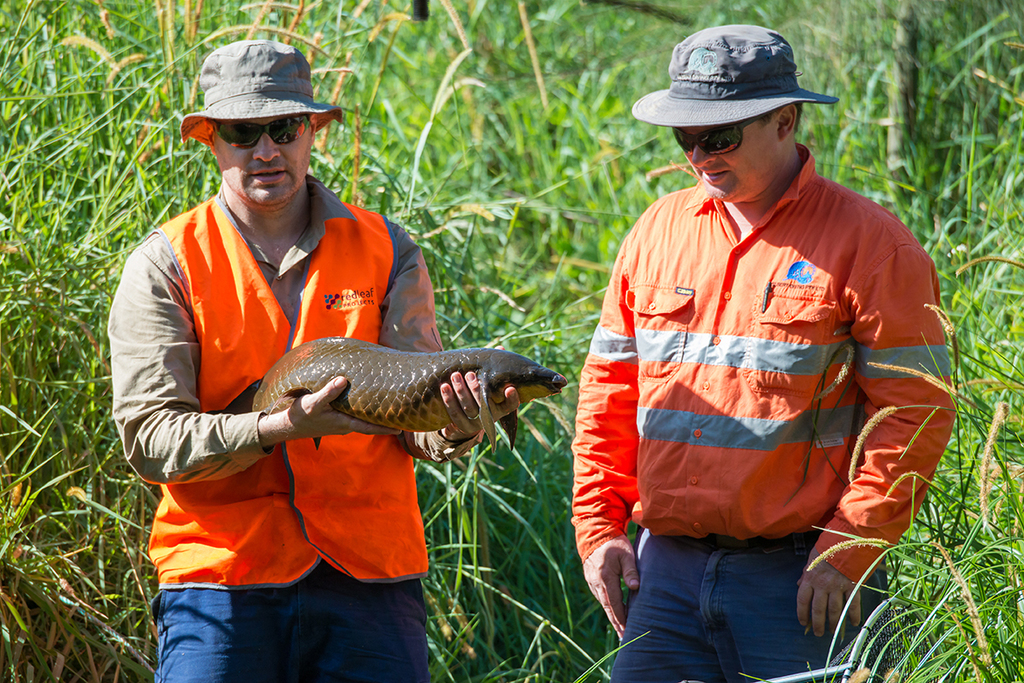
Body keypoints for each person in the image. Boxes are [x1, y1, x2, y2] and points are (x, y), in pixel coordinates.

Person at [108, 40, 519, 683]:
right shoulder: (164, 264)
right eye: (244, 131)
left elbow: (419, 423)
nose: (265, 150)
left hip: (372, 579)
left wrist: (461, 424)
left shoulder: (389, 248)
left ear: (312, 132)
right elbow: (149, 439)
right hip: (220, 578)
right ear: (210, 139)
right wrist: (273, 430)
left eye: (284, 127)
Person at [571, 24, 954, 683]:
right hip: (664, 574)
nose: (699, 155)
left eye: (718, 136)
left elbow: (915, 413)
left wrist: (849, 547)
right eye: (683, 137)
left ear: (785, 120)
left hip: (802, 582)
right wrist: (599, 527)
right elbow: (610, 389)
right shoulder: (655, 233)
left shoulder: (872, 246)